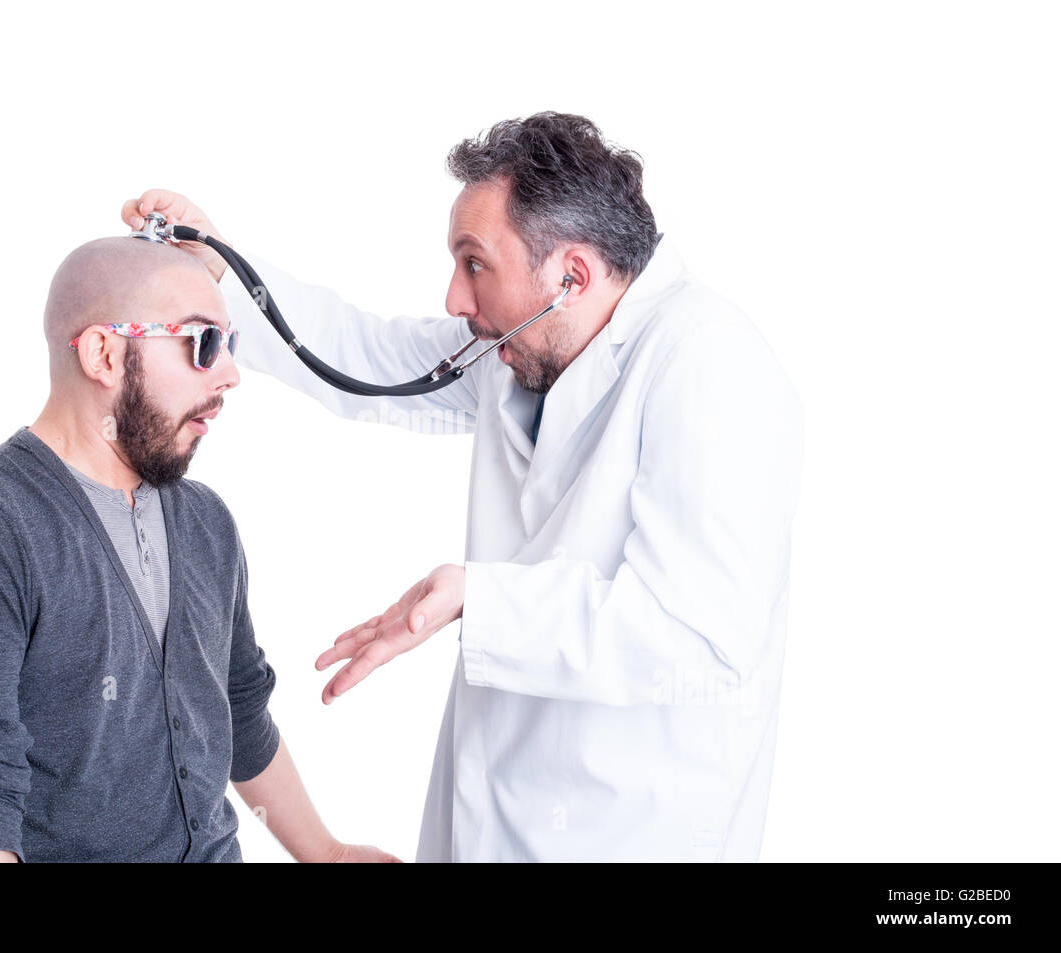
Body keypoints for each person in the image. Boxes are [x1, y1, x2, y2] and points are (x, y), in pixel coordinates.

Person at [122, 111, 805, 862]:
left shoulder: (710, 364)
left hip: (629, 835)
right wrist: (224, 270)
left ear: (569, 275)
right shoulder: (530, 342)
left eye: (474, 263)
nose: (455, 298)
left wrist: (484, 599)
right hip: (489, 825)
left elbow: (703, 636)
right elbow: (367, 358)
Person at [0, 235, 398, 863]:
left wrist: (327, 853)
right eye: (203, 343)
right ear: (104, 353)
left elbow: (236, 712)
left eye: (230, 345)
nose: (232, 373)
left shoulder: (207, 521)